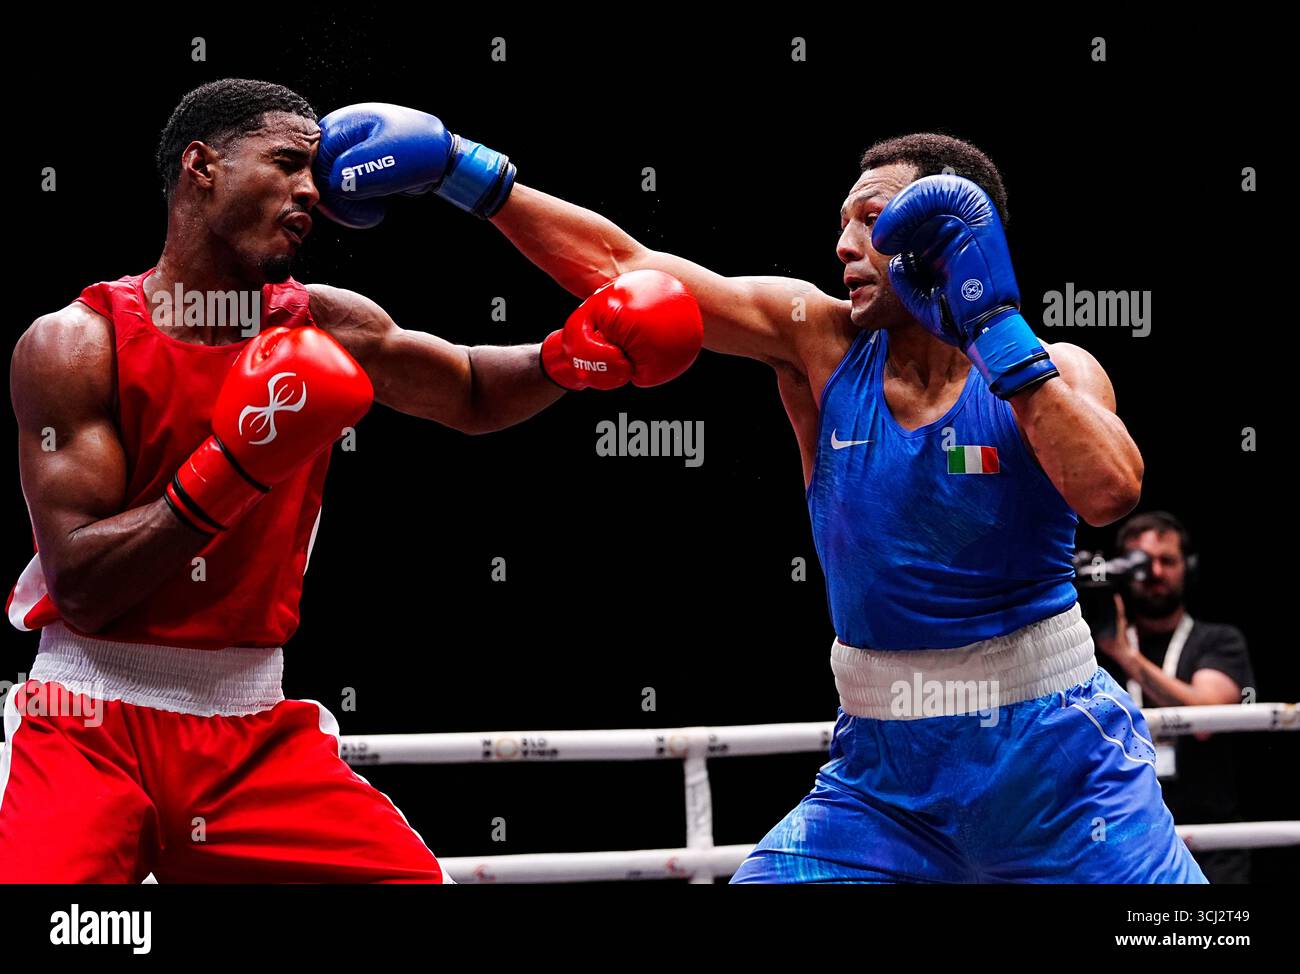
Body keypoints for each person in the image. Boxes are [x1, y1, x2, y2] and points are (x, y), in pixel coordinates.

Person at [312, 103, 1206, 881]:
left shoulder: (1051, 370)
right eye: (841, 223)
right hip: (883, 781)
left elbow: (1109, 492)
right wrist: (469, 172)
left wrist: (995, 330)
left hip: (1058, 767)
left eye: (872, 220)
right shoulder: (820, 345)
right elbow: (631, 269)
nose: (844, 245)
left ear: (943, 237)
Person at [0, 79, 701, 884]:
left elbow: (468, 388)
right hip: (87, 721)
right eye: (288, 164)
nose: (312, 191)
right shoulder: (76, 344)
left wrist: (566, 359)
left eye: (319, 173)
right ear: (201, 166)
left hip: (249, 731)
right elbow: (83, 586)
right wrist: (234, 466)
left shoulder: (326, 323)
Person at [1097, 511, 1255, 883]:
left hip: (1211, 844)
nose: (1154, 573)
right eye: (1140, 563)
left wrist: (1126, 656)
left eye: (1167, 560)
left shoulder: (1218, 641)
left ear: (1189, 567)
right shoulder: (1091, 651)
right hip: (1121, 842)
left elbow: (1208, 719)